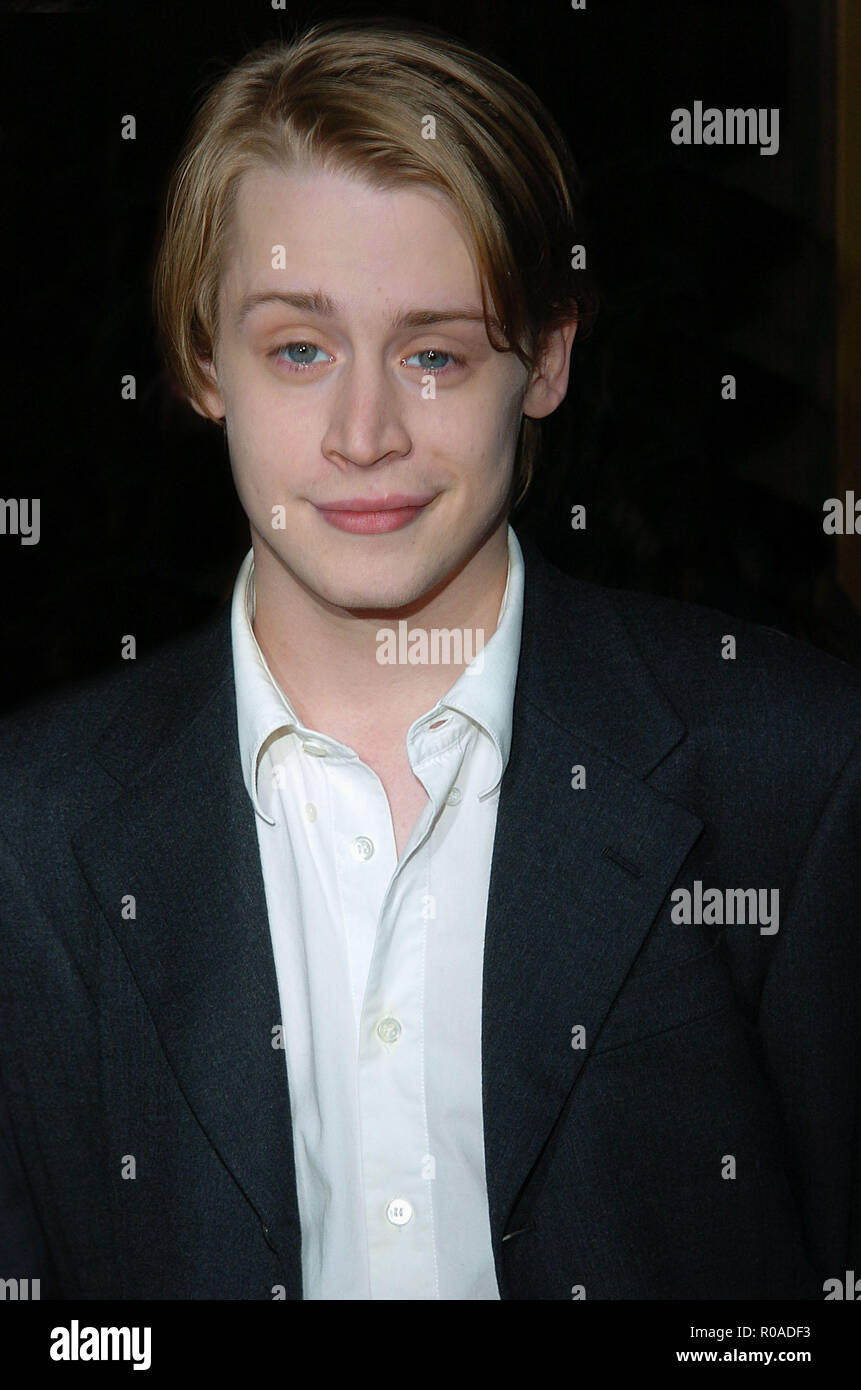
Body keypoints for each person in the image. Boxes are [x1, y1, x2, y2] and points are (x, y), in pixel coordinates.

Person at [1, 14, 859, 1302]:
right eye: (299, 347)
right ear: (199, 361)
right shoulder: (30, 829)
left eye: (435, 354)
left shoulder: (791, 761)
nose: (363, 433)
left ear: (549, 360)